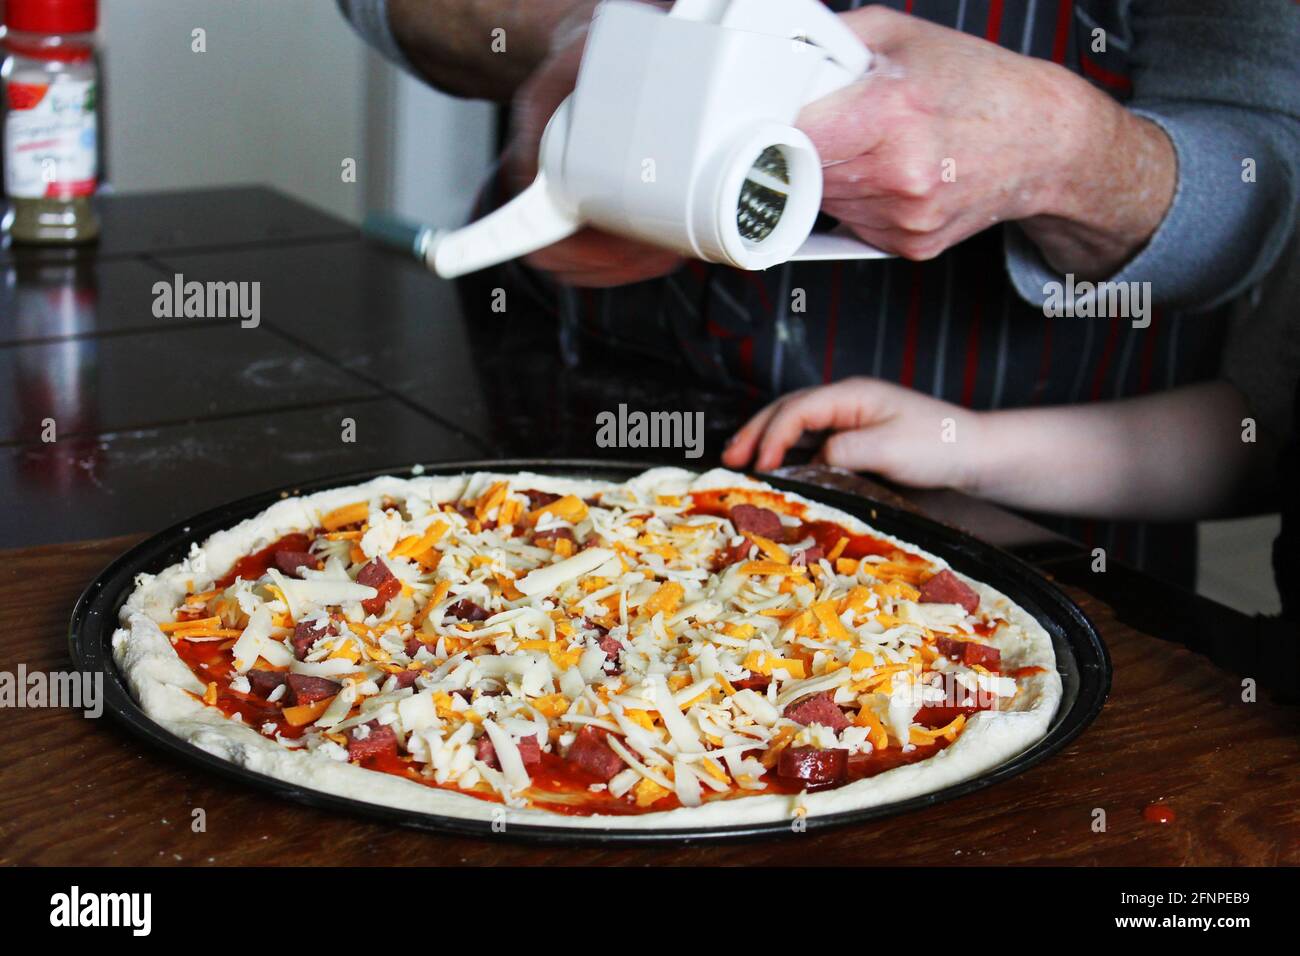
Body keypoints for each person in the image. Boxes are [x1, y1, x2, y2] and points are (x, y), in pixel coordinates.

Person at [338, 0, 1300, 586]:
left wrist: (1064, 151)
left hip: (998, 527)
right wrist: (605, 44)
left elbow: (1265, 191)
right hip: (548, 387)